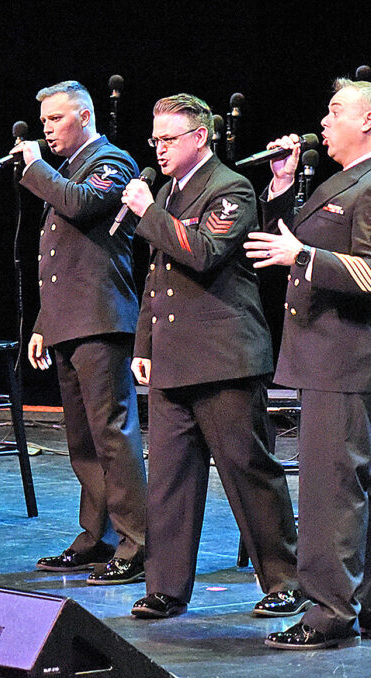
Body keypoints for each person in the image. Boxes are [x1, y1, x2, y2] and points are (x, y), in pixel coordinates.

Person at [118, 94, 303, 620]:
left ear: (200, 137)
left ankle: (284, 580)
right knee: (171, 479)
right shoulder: (166, 190)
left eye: (168, 139)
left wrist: (147, 212)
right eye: (155, 140)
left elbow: (201, 252)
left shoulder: (231, 188)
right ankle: (167, 587)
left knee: (249, 473)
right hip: (174, 357)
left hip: (224, 355)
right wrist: (145, 344)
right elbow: (157, 279)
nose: (158, 149)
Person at [247, 79, 371, 649]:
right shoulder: (348, 181)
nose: (323, 120)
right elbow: (291, 240)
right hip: (328, 356)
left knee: (332, 493)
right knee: (363, 487)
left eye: (335, 111)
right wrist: (284, 185)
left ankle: (328, 615)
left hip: (346, 358)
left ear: (369, 119)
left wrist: (306, 257)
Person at [11, 81, 148, 585]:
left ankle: (138, 545)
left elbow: (82, 205)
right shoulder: (63, 171)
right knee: (83, 441)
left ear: (85, 116)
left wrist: (35, 169)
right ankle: (97, 537)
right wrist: (44, 325)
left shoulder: (111, 162)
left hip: (101, 319)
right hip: (68, 323)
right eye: (43, 120)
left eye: (56, 119)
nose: (46, 129)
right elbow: (59, 262)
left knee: (112, 435)